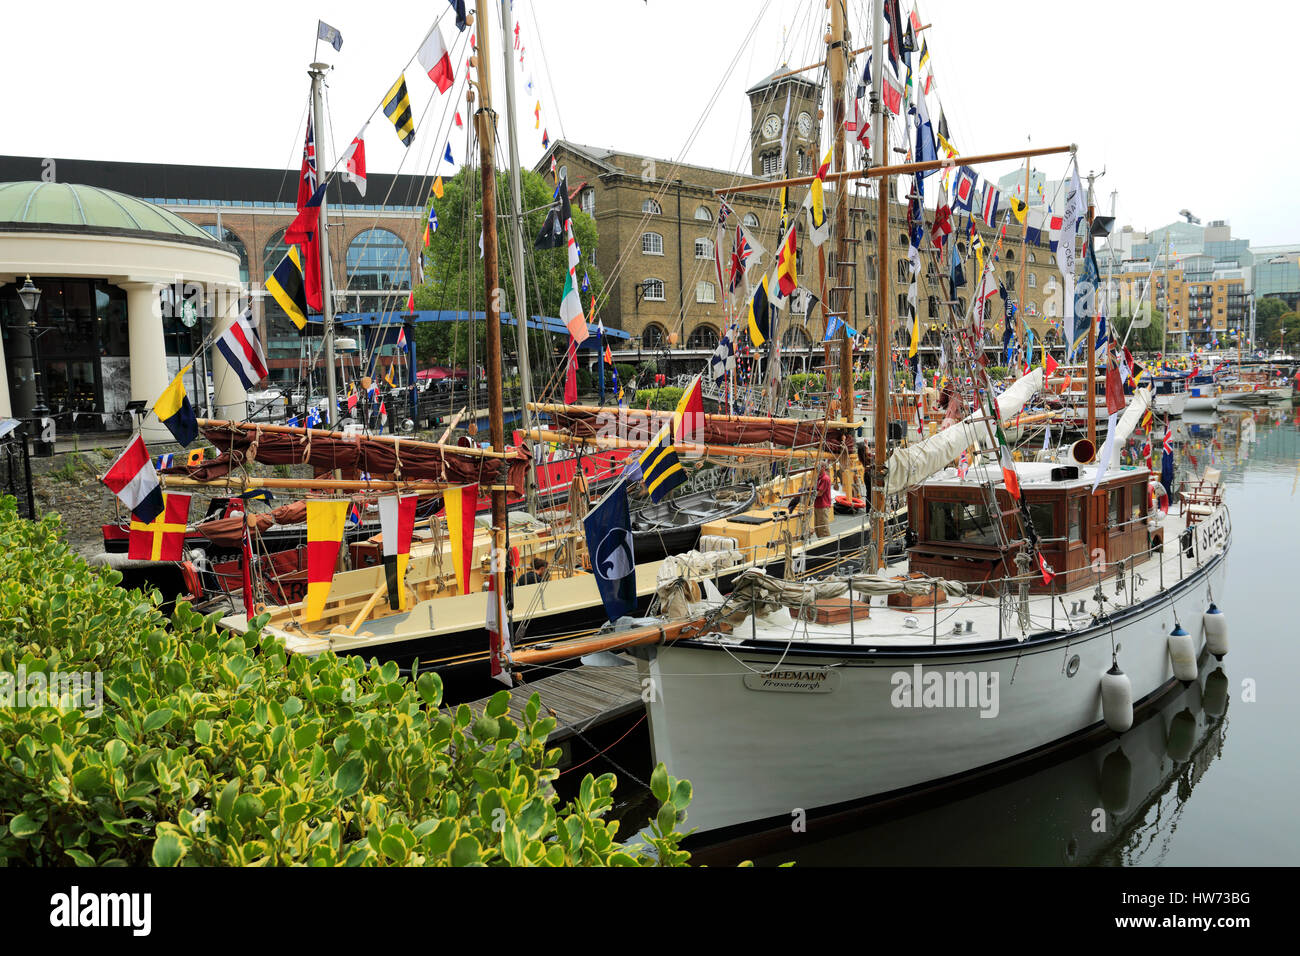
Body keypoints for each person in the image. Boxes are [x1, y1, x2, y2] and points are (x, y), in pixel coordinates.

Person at [814, 462, 833, 538]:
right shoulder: (819, 478)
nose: (817, 468)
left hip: (822, 506)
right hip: (817, 505)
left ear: (823, 467)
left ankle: (827, 544)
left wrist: (809, 494)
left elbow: (820, 493)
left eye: (819, 467)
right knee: (817, 528)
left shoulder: (825, 479)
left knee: (823, 528)